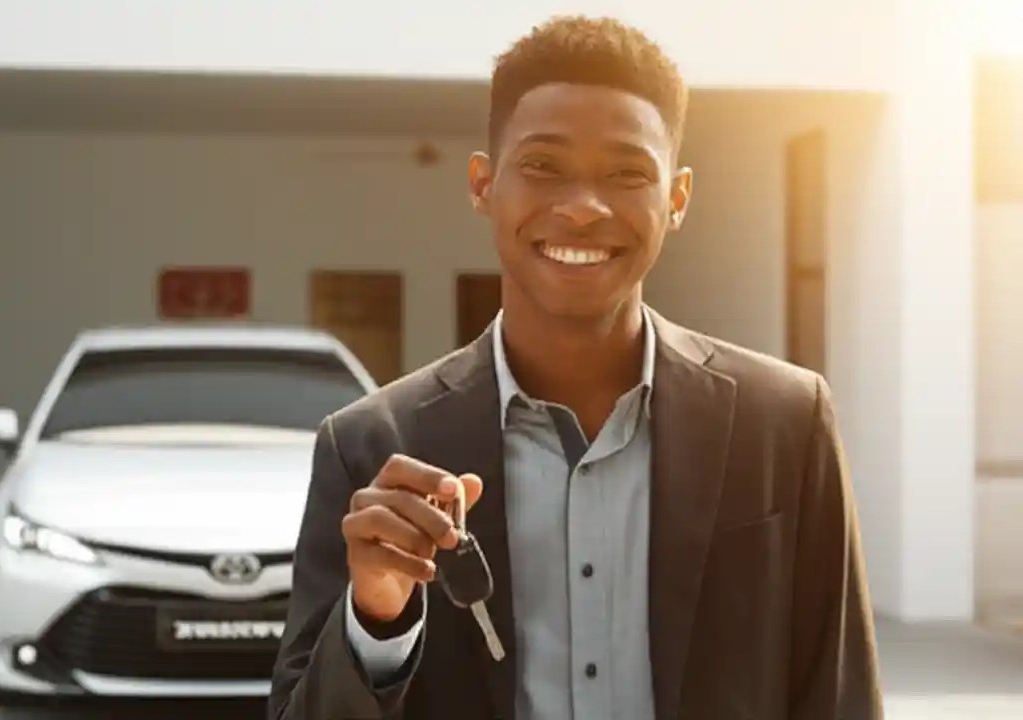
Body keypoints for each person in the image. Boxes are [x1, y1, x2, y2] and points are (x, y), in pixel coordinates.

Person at [268, 14, 882, 720]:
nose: (583, 209)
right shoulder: (371, 446)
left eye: (625, 173)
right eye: (542, 167)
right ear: (482, 184)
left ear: (676, 199)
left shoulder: (786, 423)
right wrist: (374, 616)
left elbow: (841, 701)